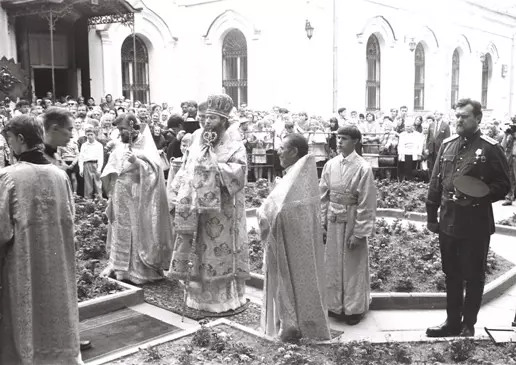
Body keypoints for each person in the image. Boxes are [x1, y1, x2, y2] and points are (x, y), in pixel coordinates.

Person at [0, 115, 83, 364]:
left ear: (21, 139)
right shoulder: (60, 176)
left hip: (22, 264)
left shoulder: (8, 177)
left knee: (25, 310)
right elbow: (71, 219)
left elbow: (3, 230)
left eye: (10, 140)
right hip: (58, 262)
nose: (9, 146)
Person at [426, 98, 511, 338]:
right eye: (457, 115)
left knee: (474, 275)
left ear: (478, 119)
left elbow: (503, 184)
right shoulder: (447, 145)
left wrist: (478, 196)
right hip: (449, 222)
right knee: (451, 273)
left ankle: (468, 324)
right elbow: (435, 181)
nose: (459, 120)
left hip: (475, 223)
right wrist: (432, 215)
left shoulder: (491, 148)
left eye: (464, 116)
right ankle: (451, 322)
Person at [167, 93, 250, 313]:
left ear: (223, 120)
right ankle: (197, 297)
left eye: (212, 118)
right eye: (205, 118)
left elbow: (240, 175)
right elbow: (187, 165)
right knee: (197, 251)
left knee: (217, 251)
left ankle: (222, 299)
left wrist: (213, 168)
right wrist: (176, 193)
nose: (206, 123)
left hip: (222, 212)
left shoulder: (235, 144)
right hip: (195, 209)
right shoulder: (196, 139)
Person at [258, 133, 331, 341]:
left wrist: (262, 212)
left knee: (290, 282)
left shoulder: (297, 177)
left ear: (294, 151)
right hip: (291, 240)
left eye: (282, 148)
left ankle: (292, 326)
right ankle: (291, 322)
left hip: (292, 242)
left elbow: (277, 211)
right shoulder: (297, 174)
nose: (278, 152)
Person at [100, 113, 172, 284]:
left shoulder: (147, 146)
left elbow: (155, 172)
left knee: (135, 231)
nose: (120, 133)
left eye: (123, 129)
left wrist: (137, 162)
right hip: (120, 195)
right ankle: (119, 268)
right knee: (119, 229)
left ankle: (137, 271)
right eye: (118, 130)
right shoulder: (121, 145)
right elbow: (112, 168)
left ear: (133, 128)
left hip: (138, 196)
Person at [320, 125, 377, 325]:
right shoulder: (330, 165)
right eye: (338, 138)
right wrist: (322, 223)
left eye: (344, 138)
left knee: (353, 265)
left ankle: (354, 309)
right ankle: (335, 305)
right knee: (333, 264)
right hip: (334, 222)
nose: (340, 142)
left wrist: (359, 233)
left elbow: (367, 202)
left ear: (355, 141)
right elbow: (323, 196)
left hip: (352, 220)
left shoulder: (363, 168)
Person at [79, 126, 104, 199]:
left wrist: (99, 168)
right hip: (87, 165)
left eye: (91, 134)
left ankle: (100, 202)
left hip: (95, 164)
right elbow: (81, 157)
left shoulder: (99, 145)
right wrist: (81, 168)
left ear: (95, 135)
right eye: (88, 135)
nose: (89, 136)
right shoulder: (84, 145)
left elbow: (100, 157)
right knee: (88, 185)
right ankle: (88, 202)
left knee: (98, 185)